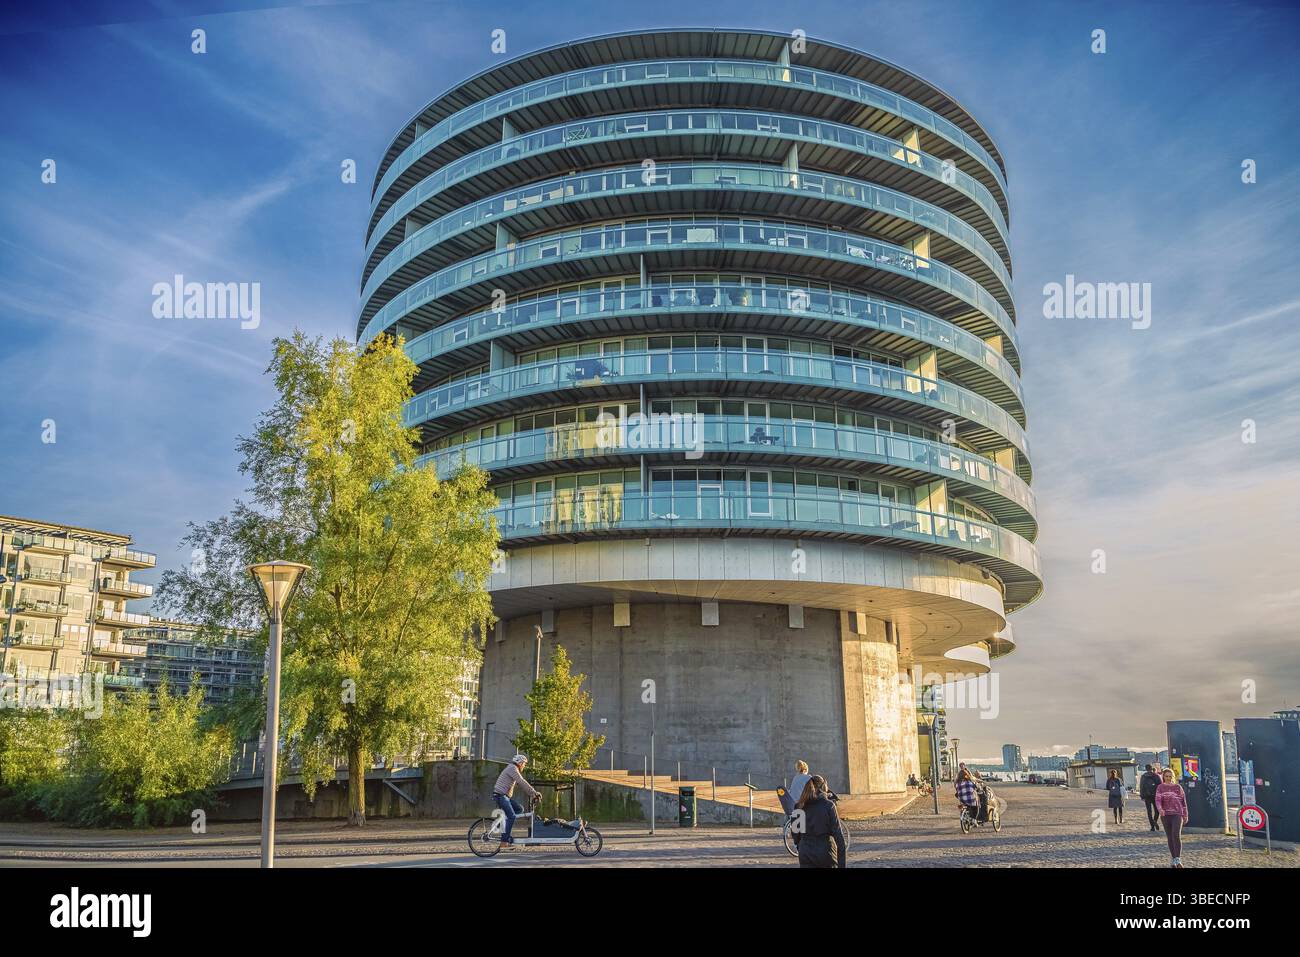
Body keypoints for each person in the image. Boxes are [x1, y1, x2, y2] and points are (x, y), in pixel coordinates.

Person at [791, 774, 848, 868]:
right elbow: (838, 836)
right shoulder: (828, 805)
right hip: (826, 851)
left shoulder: (799, 806)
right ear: (824, 787)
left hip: (805, 852)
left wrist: (801, 846)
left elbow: (795, 833)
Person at [493, 754, 540, 845]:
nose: (524, 766)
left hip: (504, 796)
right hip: (500, 795)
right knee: (512, 816)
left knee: (519, 809)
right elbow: (521, 781)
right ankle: (504, 841)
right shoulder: (513, 768)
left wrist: (531, 793)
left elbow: (520, 784)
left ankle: (501, 824)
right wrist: (534, 793)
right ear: (520, 763)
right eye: (524, 764)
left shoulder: (512, 768)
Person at [1154, 767, 1189, 868]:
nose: (1168, 778)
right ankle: (1173, 859)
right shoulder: (1160, 787)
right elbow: (1157, 800)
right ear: (1163, 777)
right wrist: (1160, 809)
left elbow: (1184, 802)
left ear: (1173, 777)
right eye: (1166, 776)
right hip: (1165, 815)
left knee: (1176, 835)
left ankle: (1178, 859)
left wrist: (1185, 814)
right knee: (1170, 837)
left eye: (1170, 776)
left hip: (1177, 814)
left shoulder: (1178, 787)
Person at [1139, 764, 1163, 832]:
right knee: (1157, 811)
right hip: (1155, 796)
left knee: (1149, 812)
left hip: (1147, 796)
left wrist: (1142, 796)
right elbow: (1160, 786)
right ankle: (1155, 821)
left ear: (1146, 769)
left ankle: (1152, 826)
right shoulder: (1156, 775)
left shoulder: (1143, 776)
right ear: (1152, 768)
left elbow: (1141, 786)